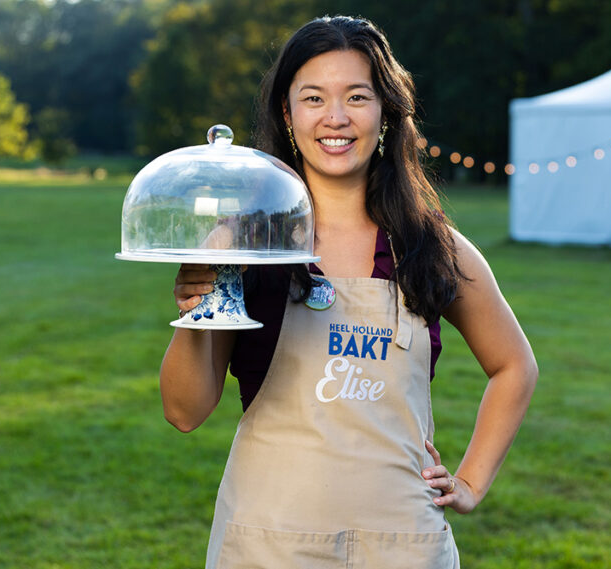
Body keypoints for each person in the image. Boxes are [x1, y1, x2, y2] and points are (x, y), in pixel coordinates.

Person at [160, 16, 537, 568]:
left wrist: (471, 481)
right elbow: (184, 411)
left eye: (357, 96)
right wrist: (199, 311)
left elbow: (514, 366)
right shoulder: (243, 243)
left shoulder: (432, 246)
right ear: (287, 114)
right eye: (313, 98)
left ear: (385, 111)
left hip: (403, 547)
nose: (335, 118)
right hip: (267, 545)